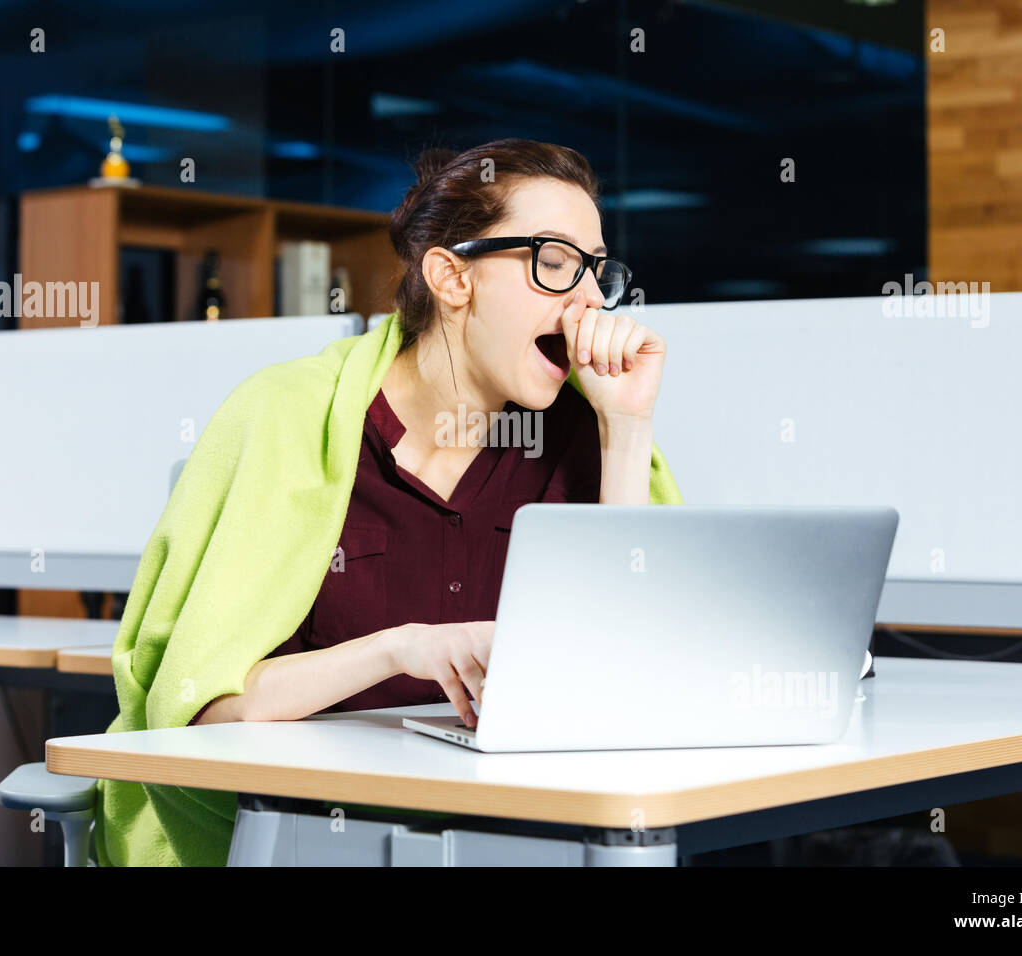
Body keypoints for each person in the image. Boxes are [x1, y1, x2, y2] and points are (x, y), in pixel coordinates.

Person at [195, 138, 671, 730]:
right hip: (321, 812)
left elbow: (636, 678)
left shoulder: (584, 438)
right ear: (451, 278)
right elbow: (208, 709)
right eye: (555, 263)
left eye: (597, 269)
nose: (593, 299)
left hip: (526, 810)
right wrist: (397, 649)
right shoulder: (286, 418)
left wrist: (625, 428)